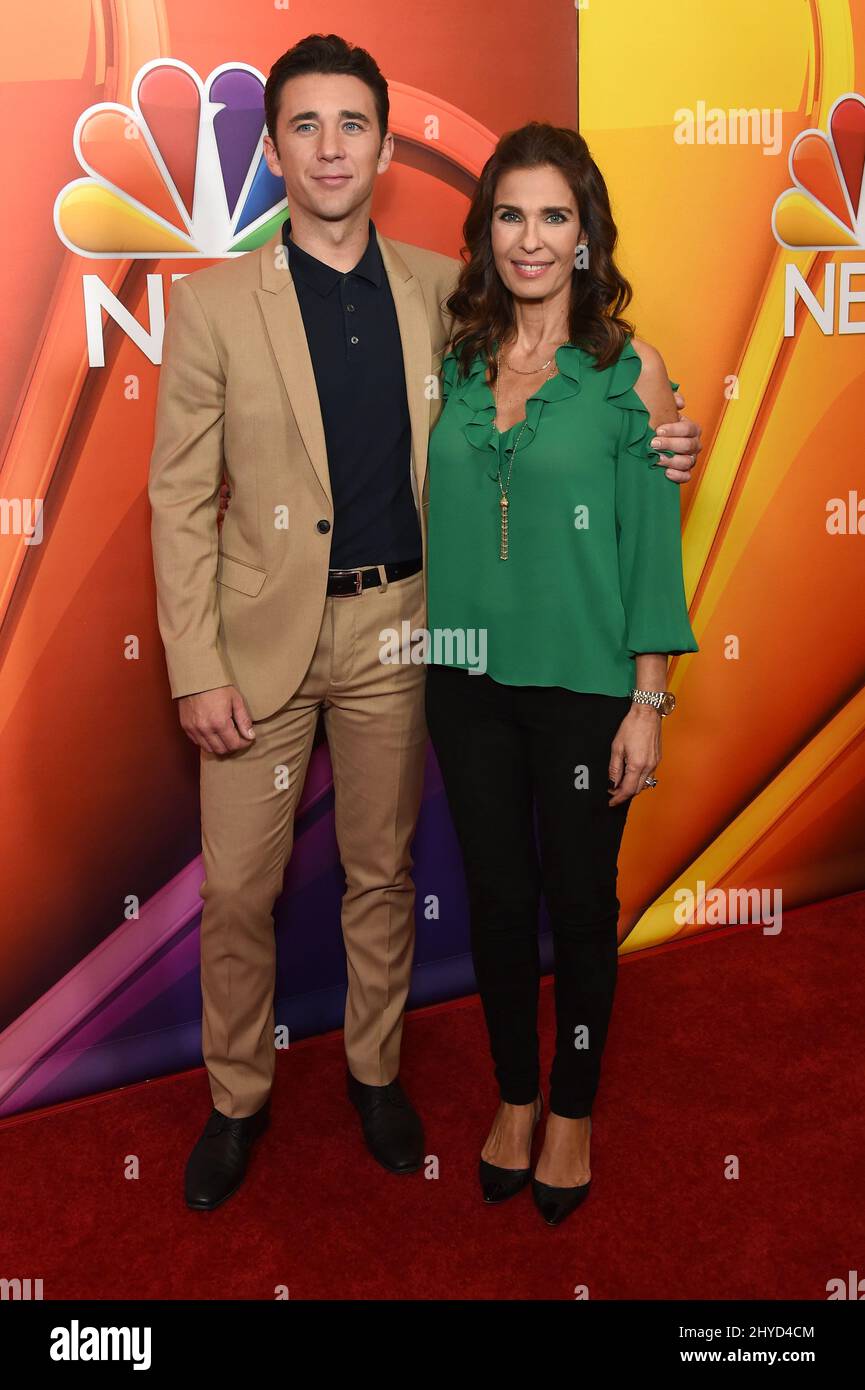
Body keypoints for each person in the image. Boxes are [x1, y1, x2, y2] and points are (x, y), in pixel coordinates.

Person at [148, 34, 703, 1212]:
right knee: (241, 890)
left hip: (413, 632)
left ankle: (376, 1075)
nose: (332, 146)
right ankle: (238, 1098)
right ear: (275, 149)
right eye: (305, 125)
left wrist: (670, 432)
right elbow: (178, 500)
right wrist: (194, 665)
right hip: (256, 645)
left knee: (383, 876)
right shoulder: (208, 308)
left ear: (386, 146)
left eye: (353, 125)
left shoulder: (437, 297)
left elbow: (594, 413)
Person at [423, 121, 699, 1226]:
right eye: (509, 215)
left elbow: (648, 541)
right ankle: (514, 1092)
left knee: (579, 906)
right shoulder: (454, 358)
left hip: (588, 689)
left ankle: (573, 1105)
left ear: (584, 237)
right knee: (495, 900)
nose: (529, 239)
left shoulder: (630, 369)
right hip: (464, 681)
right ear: (484, 231)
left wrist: (648, 699)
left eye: (553, 216)